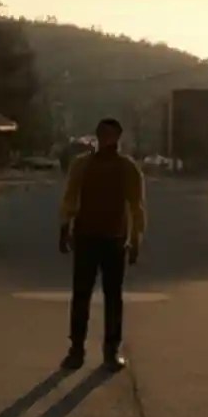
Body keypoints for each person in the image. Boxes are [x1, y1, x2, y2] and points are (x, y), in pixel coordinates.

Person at [58, 118, 146, 371]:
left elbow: (136, 205)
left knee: (113, 297)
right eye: (103, 135)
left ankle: (111, 350)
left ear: (118, 137)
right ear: (97, 137)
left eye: (112, 135)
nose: (107, 140)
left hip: (115, 239)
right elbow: (70, 198)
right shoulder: (82, 165)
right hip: (85, 237)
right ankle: (76, 349)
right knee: (81, 295)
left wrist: (136, 239)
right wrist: (64, 229)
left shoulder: (127, 168)